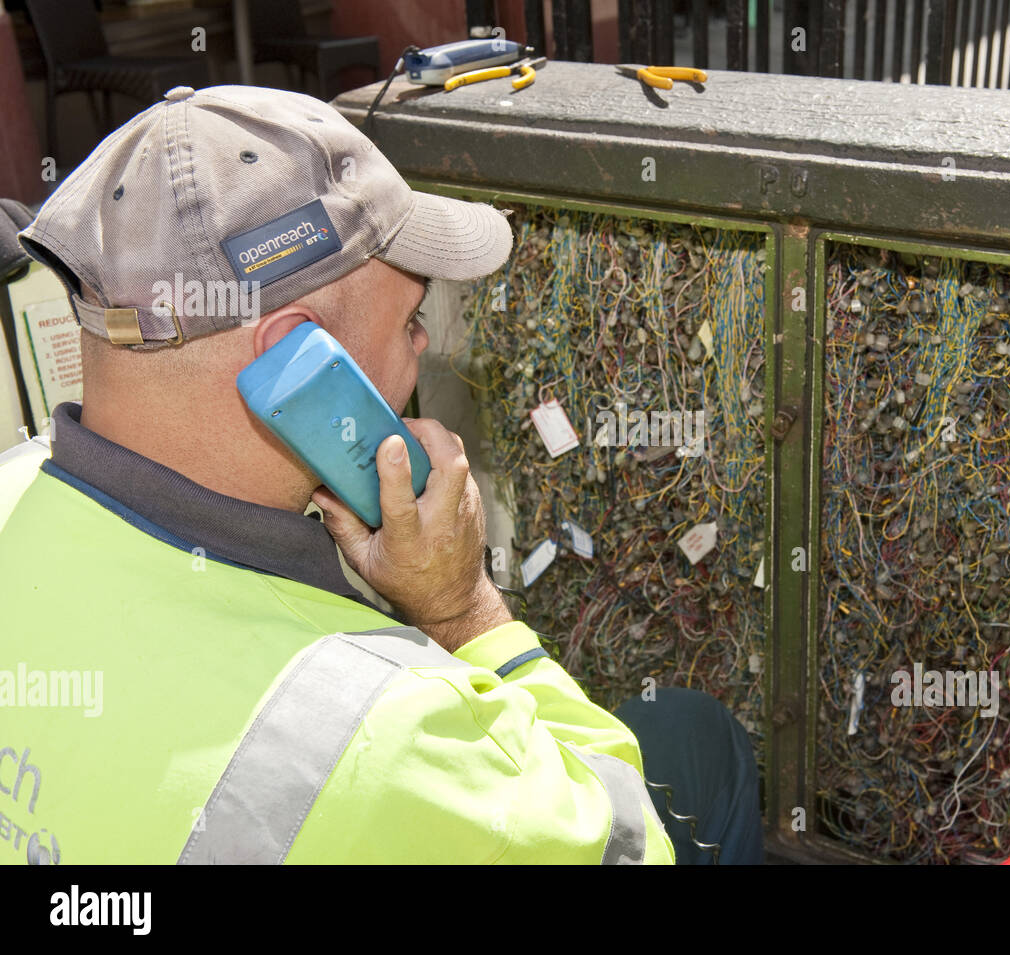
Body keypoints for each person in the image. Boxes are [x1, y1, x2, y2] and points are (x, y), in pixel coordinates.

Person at [0, 84, 762, 864]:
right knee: (700, 741)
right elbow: (627, 844)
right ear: (294, 358)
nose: (424, 346)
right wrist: (462, 609)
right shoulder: (378, 732)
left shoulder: (8, 492)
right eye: (410, 321)